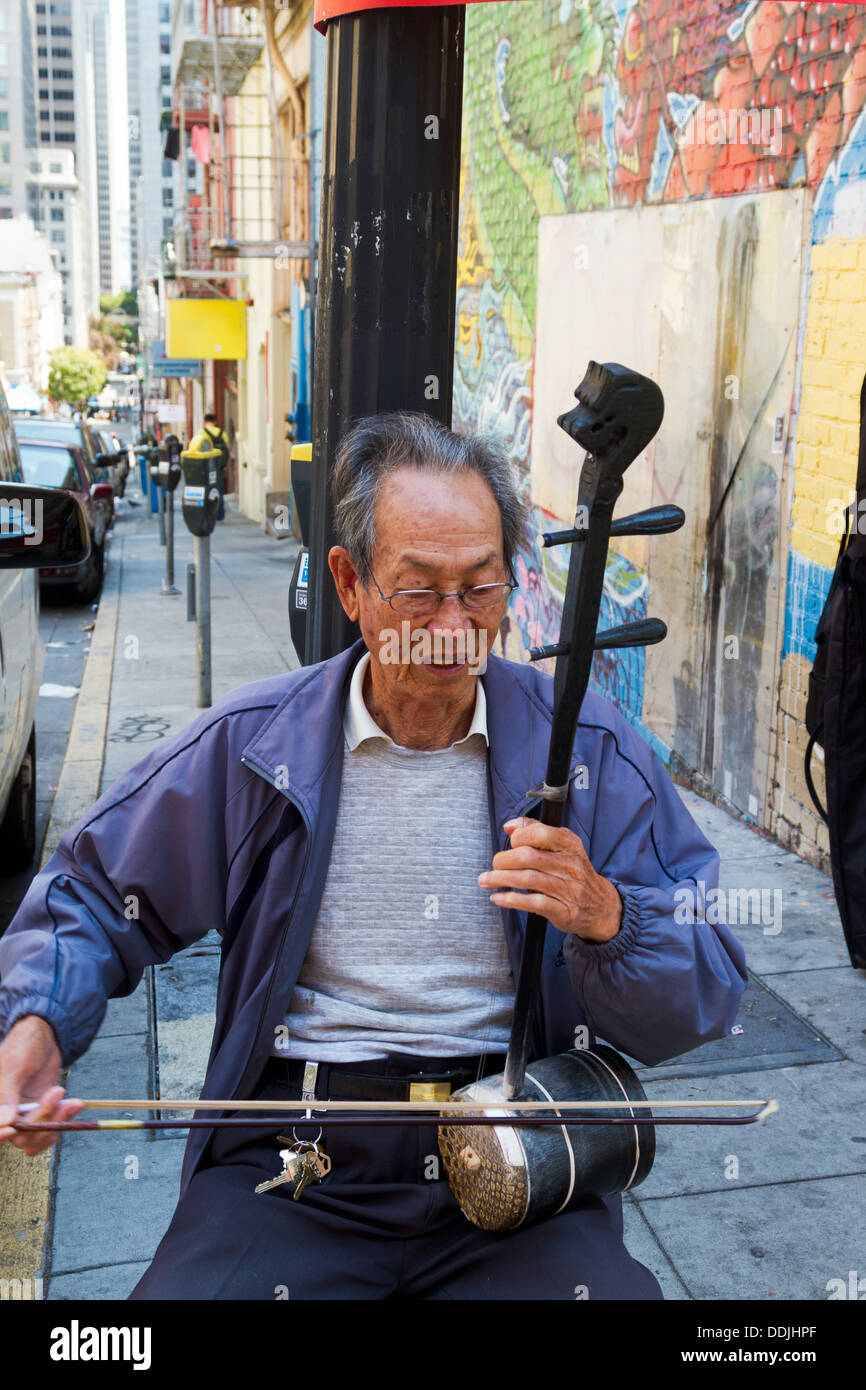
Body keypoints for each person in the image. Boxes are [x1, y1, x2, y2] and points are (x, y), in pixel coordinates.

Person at [0, 412, 747, 1300]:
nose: (452, 627)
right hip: (294, 1163)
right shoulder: (258, 747)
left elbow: (709, 989)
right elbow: (93, 891)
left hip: (516, 1154)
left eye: (480, 588)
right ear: (350, 584)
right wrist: (36, 1023)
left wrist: (609, 919)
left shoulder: (586, 750)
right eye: (418, 591)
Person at [203, 411, 230, 521]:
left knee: (206, 490)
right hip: (219, 466)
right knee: (218, 489)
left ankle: (209, 513)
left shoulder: (202, 432)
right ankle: (220, 515)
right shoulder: (221, 432)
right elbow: (227, 447)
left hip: (206, 466)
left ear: (205, 422)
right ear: (215, 422)